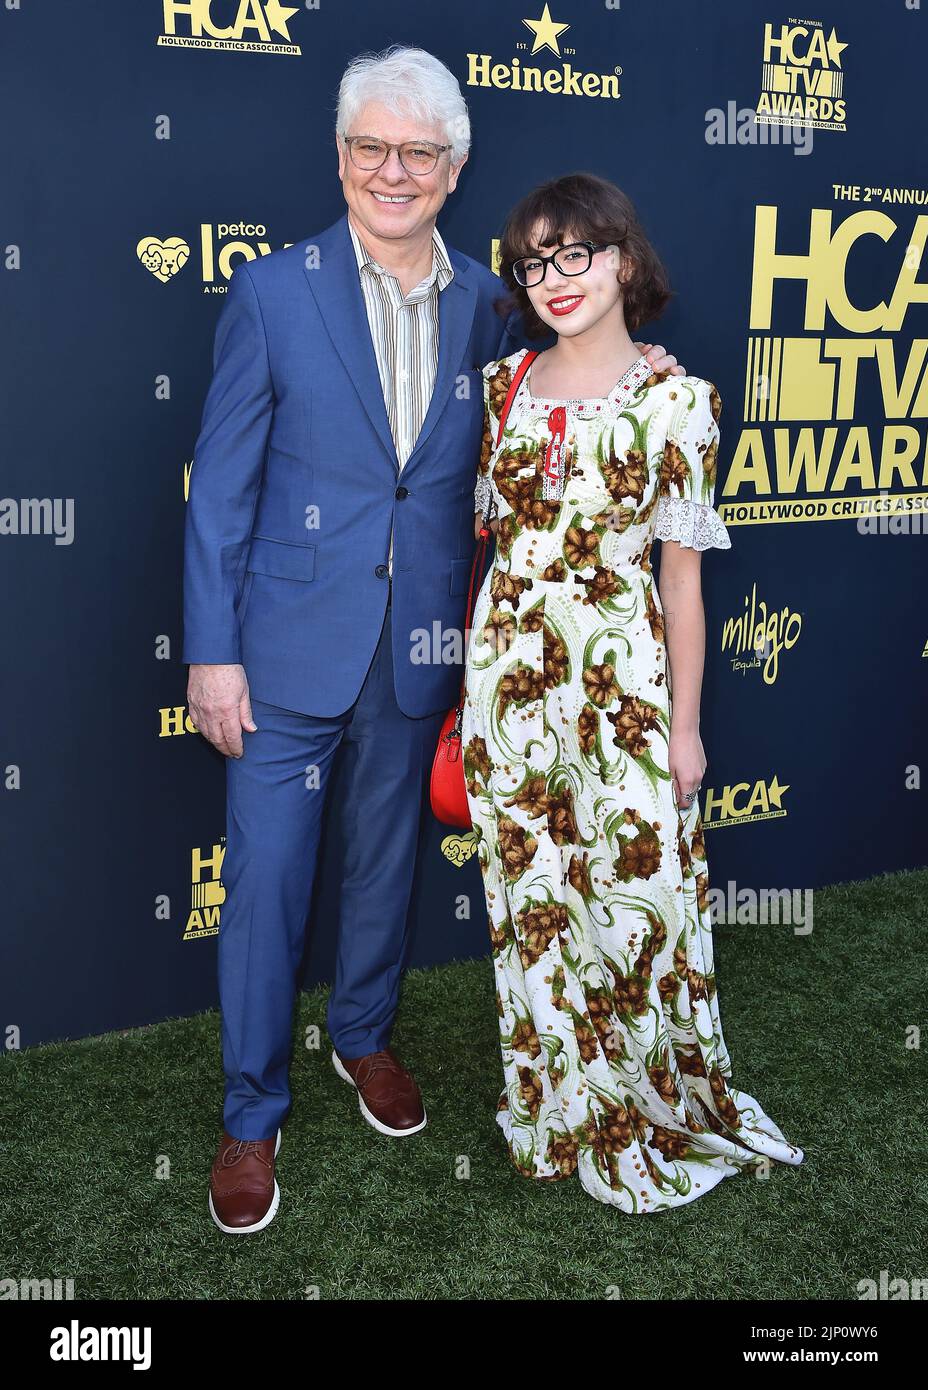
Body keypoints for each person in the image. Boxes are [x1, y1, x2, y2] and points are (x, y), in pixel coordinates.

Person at [183, 49, 686, 1234]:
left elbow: (566, 389)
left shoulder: (486, 303)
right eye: (371, 147)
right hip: (284, 648)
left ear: (453, 170)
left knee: (382, 868)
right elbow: (219, 493)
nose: (391, 171)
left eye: (418, 152)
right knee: (261, 884)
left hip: (421, 651)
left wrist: (645, 371)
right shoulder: (272, 291)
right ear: (342, 156)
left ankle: (362, 1037)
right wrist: (213, 652)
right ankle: (252, 1112)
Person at [462, 173, 804, 1212]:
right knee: (531, 903)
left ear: (621, 259)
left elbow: (682, 581)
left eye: (575, 254)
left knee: (639, 901)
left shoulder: (678, 402)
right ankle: (560, 1105)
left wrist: (686, 727)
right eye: (533, 260)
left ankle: (653, 1097)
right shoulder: (502, 385)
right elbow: (494, 544)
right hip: (506, 686)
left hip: (623, 687)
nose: (553, 278)